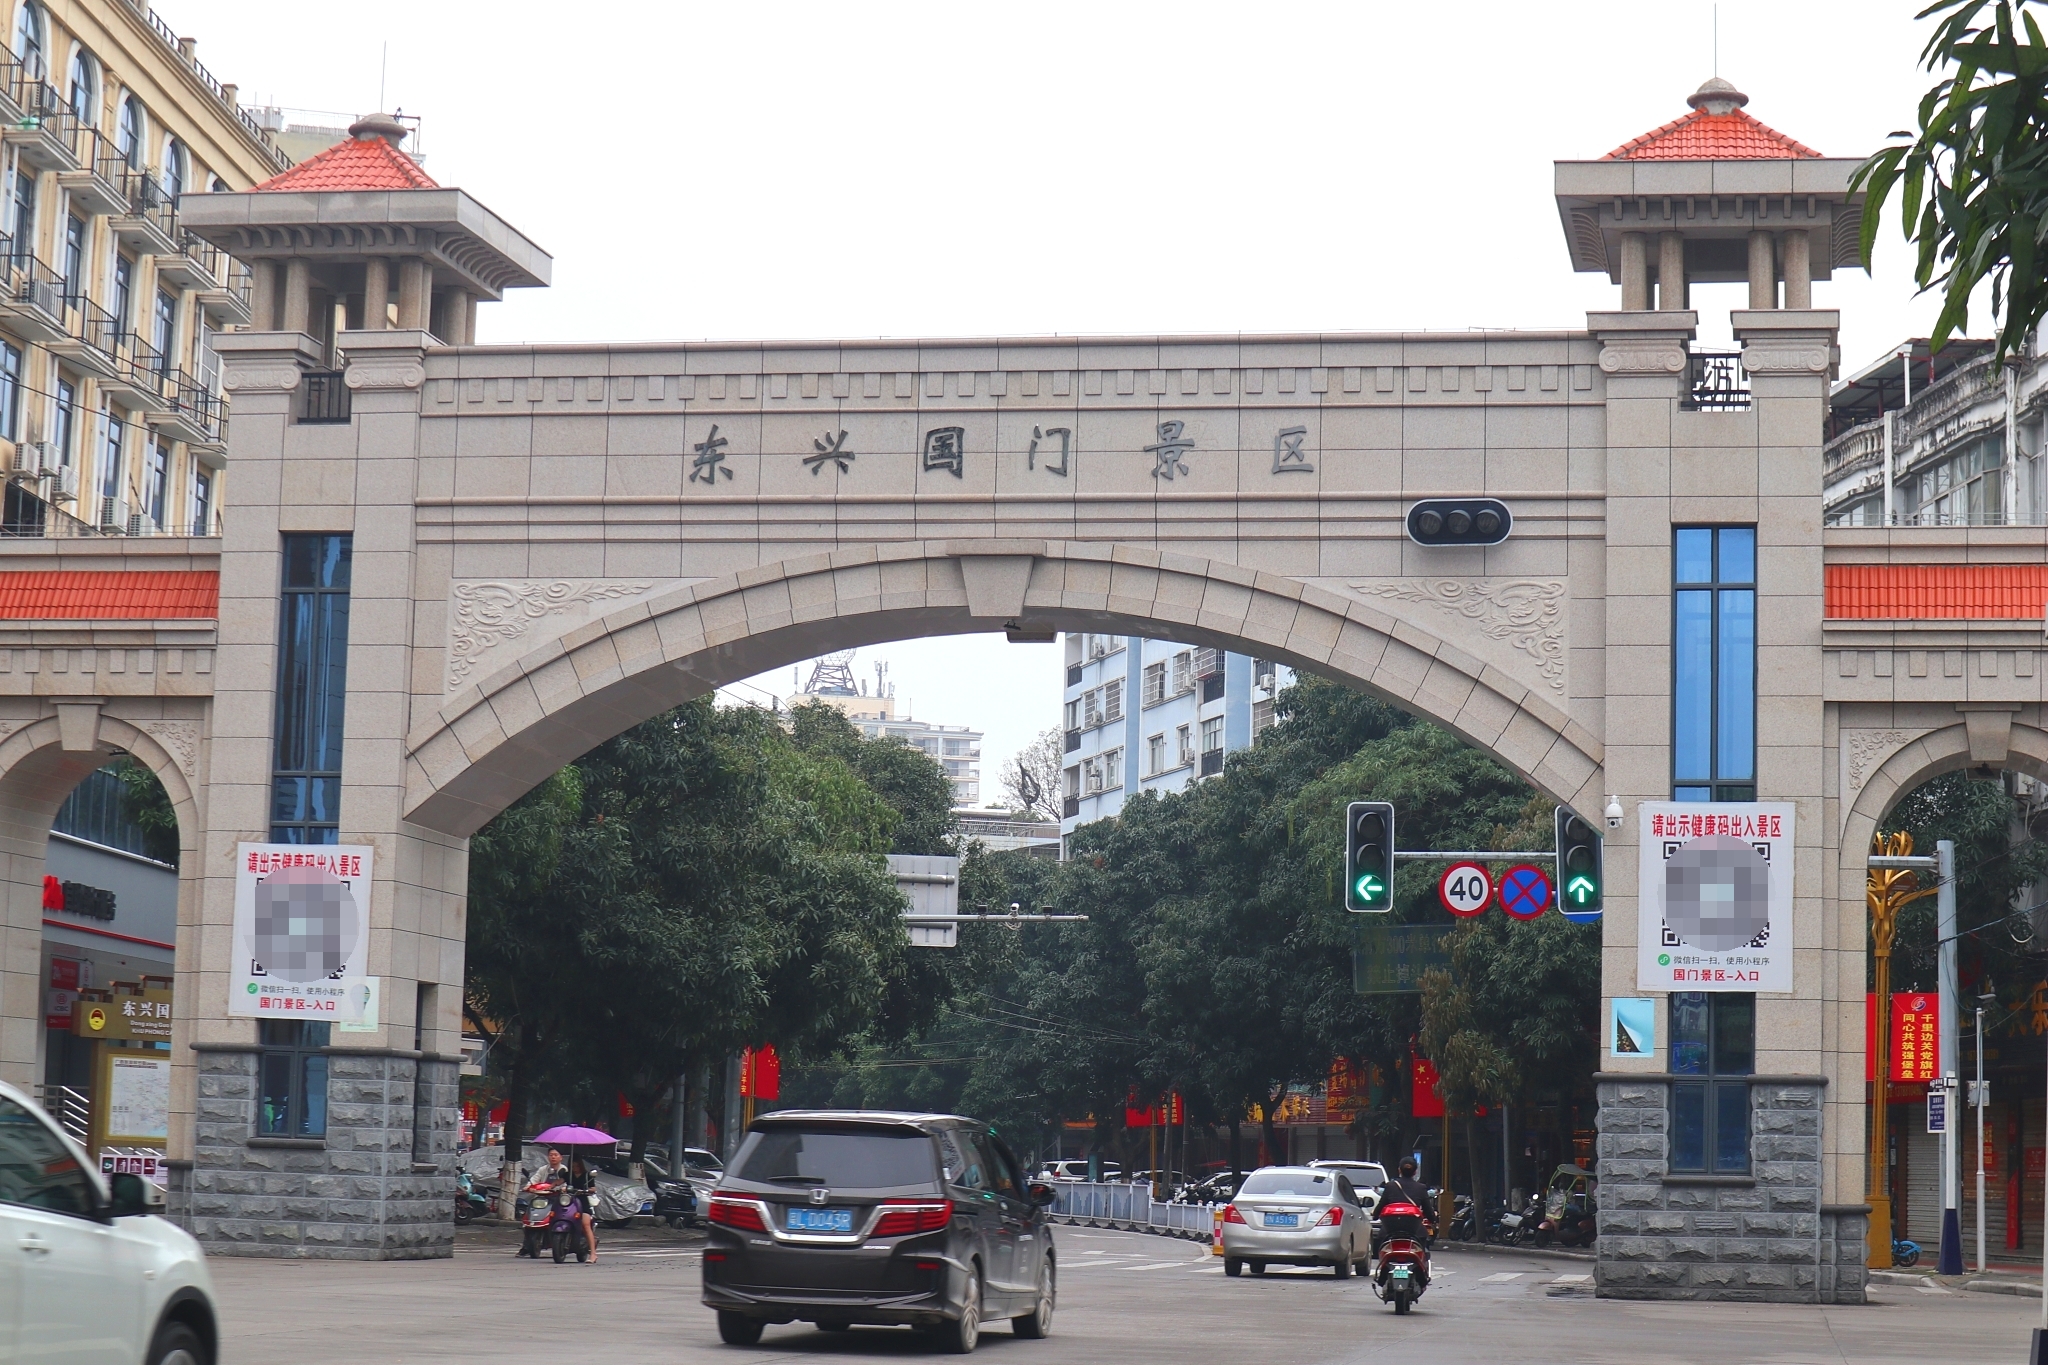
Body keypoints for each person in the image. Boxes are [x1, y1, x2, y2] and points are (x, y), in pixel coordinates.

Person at [570, 1156, 599, 1264]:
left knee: (585, 1224)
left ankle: (593, 1253)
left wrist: (588, 1190)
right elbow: (559, 1182)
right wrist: (553, 1186)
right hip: (570, 1202)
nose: (575, 1168)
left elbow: (593, 1188)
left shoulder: (587, 1176)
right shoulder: (568, 1175)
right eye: (573, 1166)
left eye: (577, 1166)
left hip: (582, 1203)